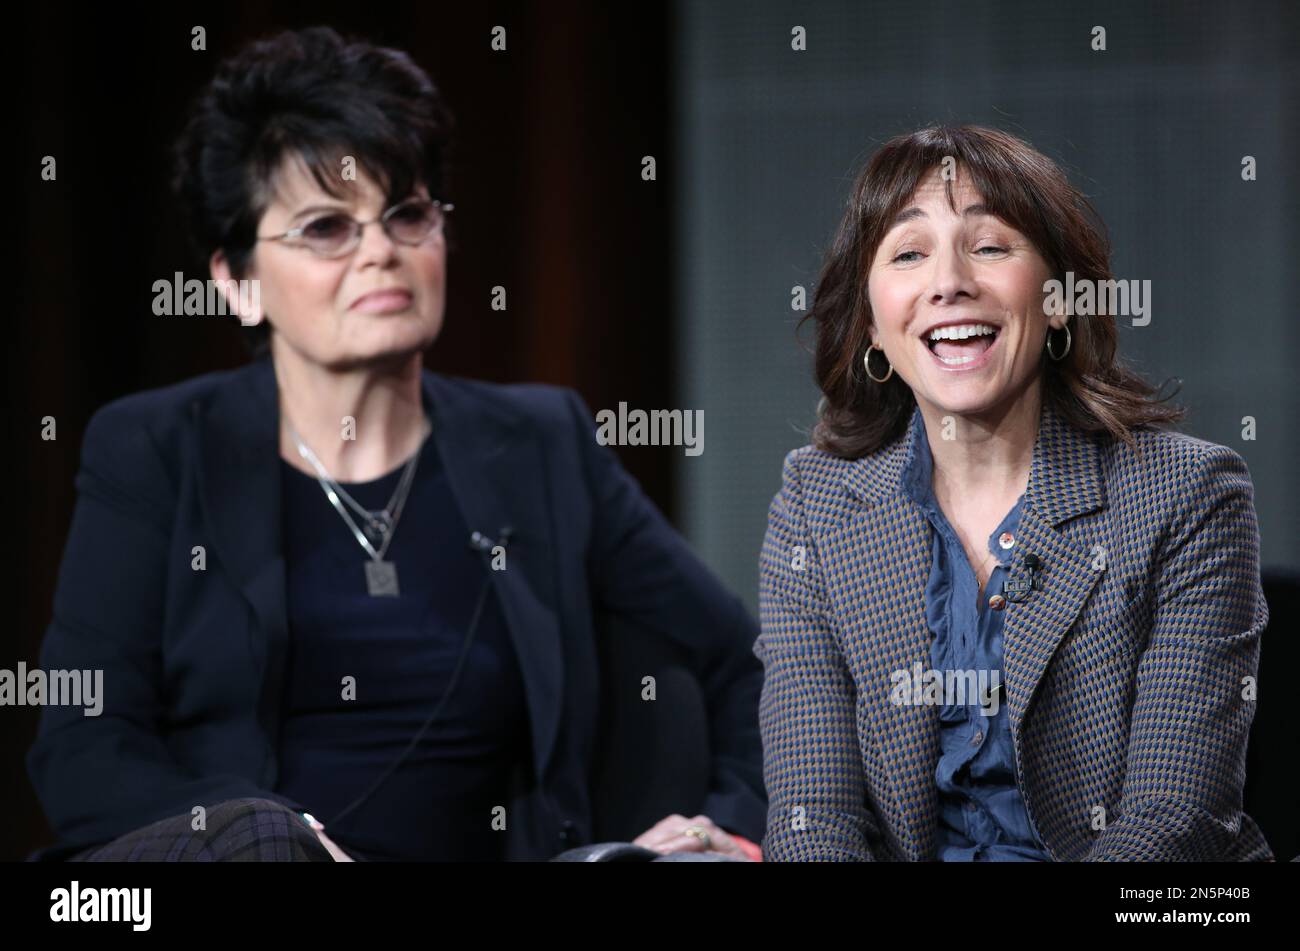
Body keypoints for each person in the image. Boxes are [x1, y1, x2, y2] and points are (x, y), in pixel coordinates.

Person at [26, 26, 764, 863]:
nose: (380, 252)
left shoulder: (541, 443)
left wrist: (727, 827)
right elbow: (83, 750)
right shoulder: (155, 450)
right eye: (327, 228)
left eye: (407, 214)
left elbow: (752, 665)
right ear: (237, 283)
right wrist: (266, 834)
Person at [756, 124, 1273, 861]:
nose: (949, 282)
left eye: (990, 246)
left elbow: (1173, 821)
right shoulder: (816, 504)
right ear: (872, 323)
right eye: (909, 254)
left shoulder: (1187, 493)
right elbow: (815, 822)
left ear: (1058, 300)